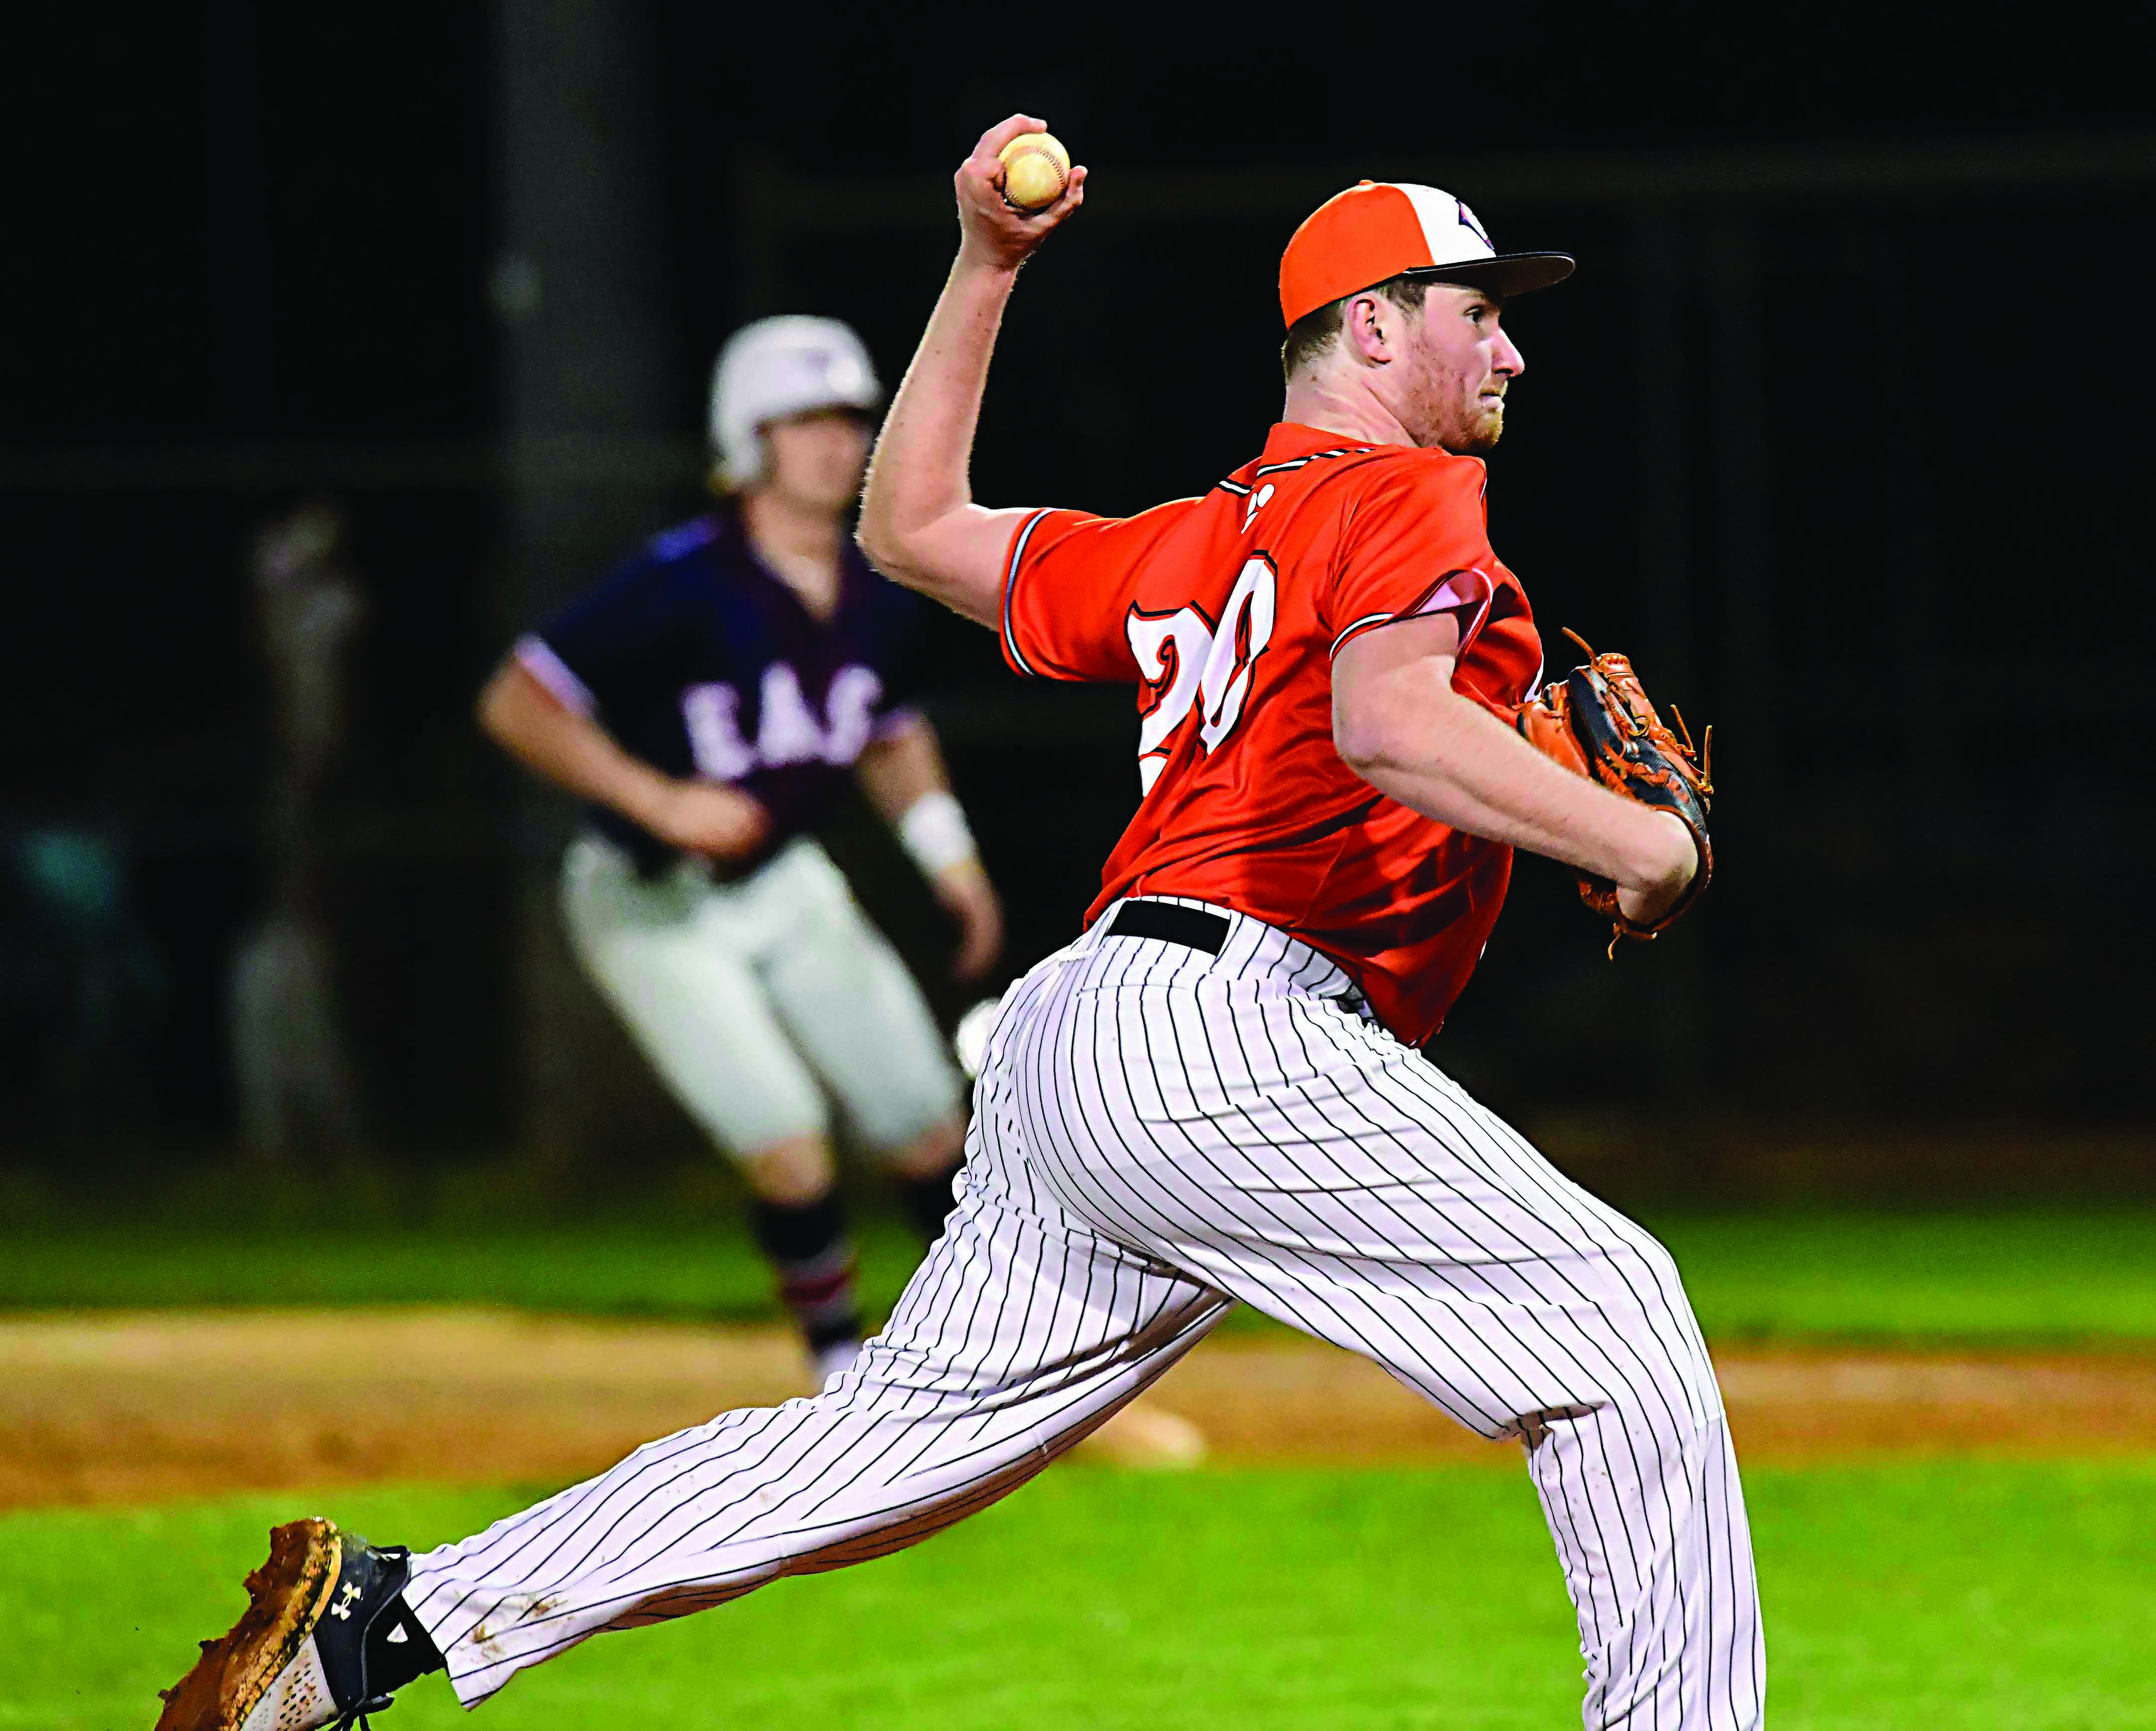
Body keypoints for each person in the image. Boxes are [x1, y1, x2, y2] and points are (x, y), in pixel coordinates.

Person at [154, 119, 1761, 1731]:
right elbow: (1390, 724)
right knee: (1621, 1327)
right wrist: (1647, 841)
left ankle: (382, 1622)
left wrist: (985, 264)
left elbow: (906, 528)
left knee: (882, 1443)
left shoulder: (1184, 542)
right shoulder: (1414, 494)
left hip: (1091, 1036)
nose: (1515, 346)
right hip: (1236, 1032)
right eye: (1478, 310)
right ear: (1371, 325)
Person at [478, 315, 1000, 1386]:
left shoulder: (876, 585)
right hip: (652, 900)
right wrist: (657, 797)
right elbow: (519, 701)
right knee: (786, 1138)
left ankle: (997, 1353)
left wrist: (948, 857)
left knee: (924, 1124)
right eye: (805, 419)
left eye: (852, 418)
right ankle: (838, 1370)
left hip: (785, 879)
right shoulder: (685, 579)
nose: (837, 442)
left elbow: (890, 734)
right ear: (748, 438)